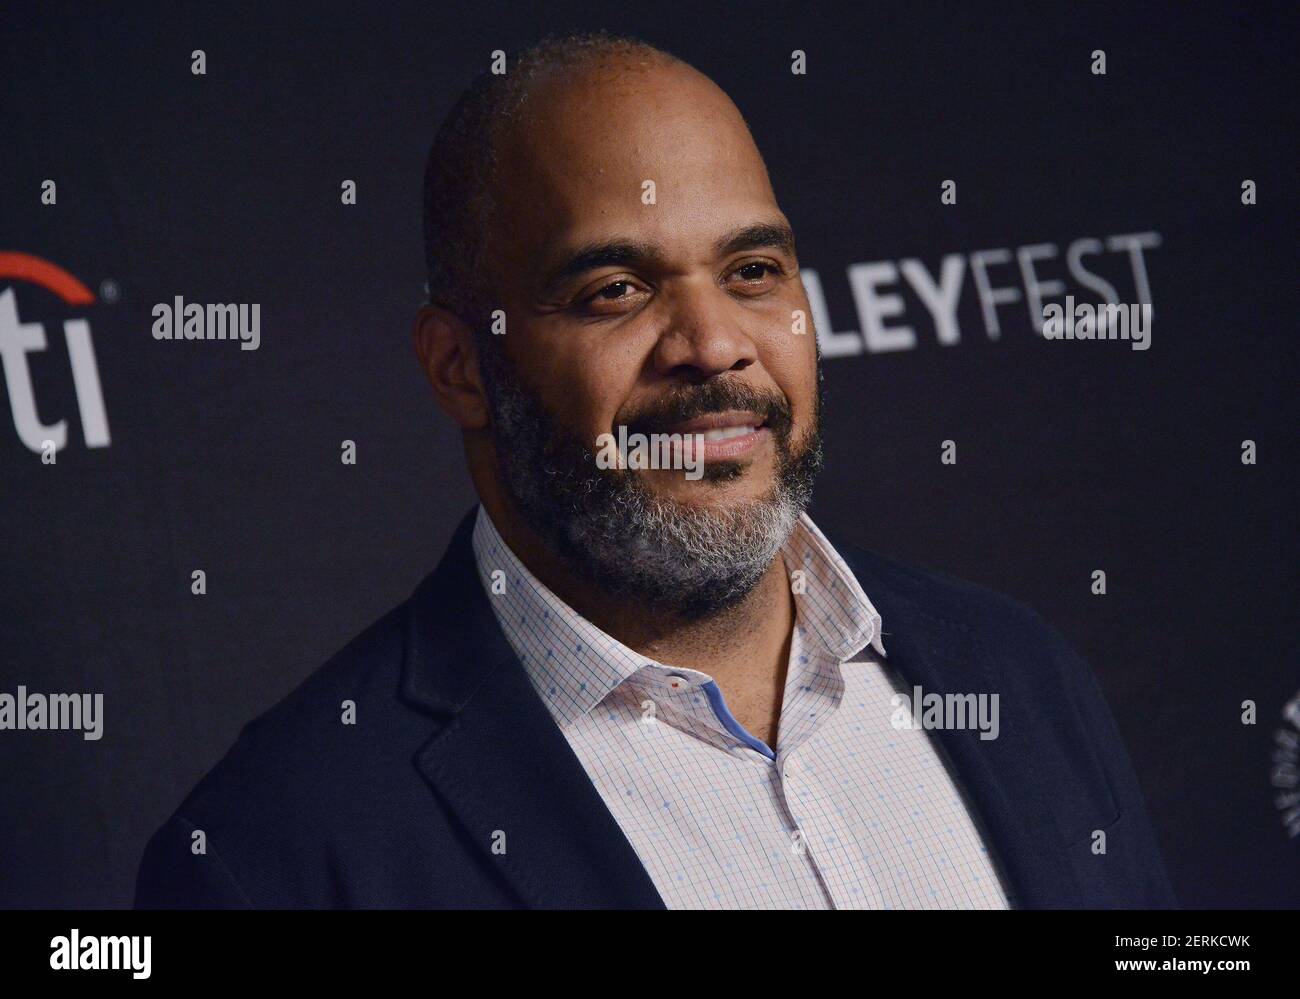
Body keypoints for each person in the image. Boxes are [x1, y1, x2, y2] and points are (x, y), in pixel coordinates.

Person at [135, 30, 1176, 909]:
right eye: (615, 291)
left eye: (753, 272)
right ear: (459, 367)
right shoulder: (275, 853)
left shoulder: (1015, 673)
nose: (714, 344)